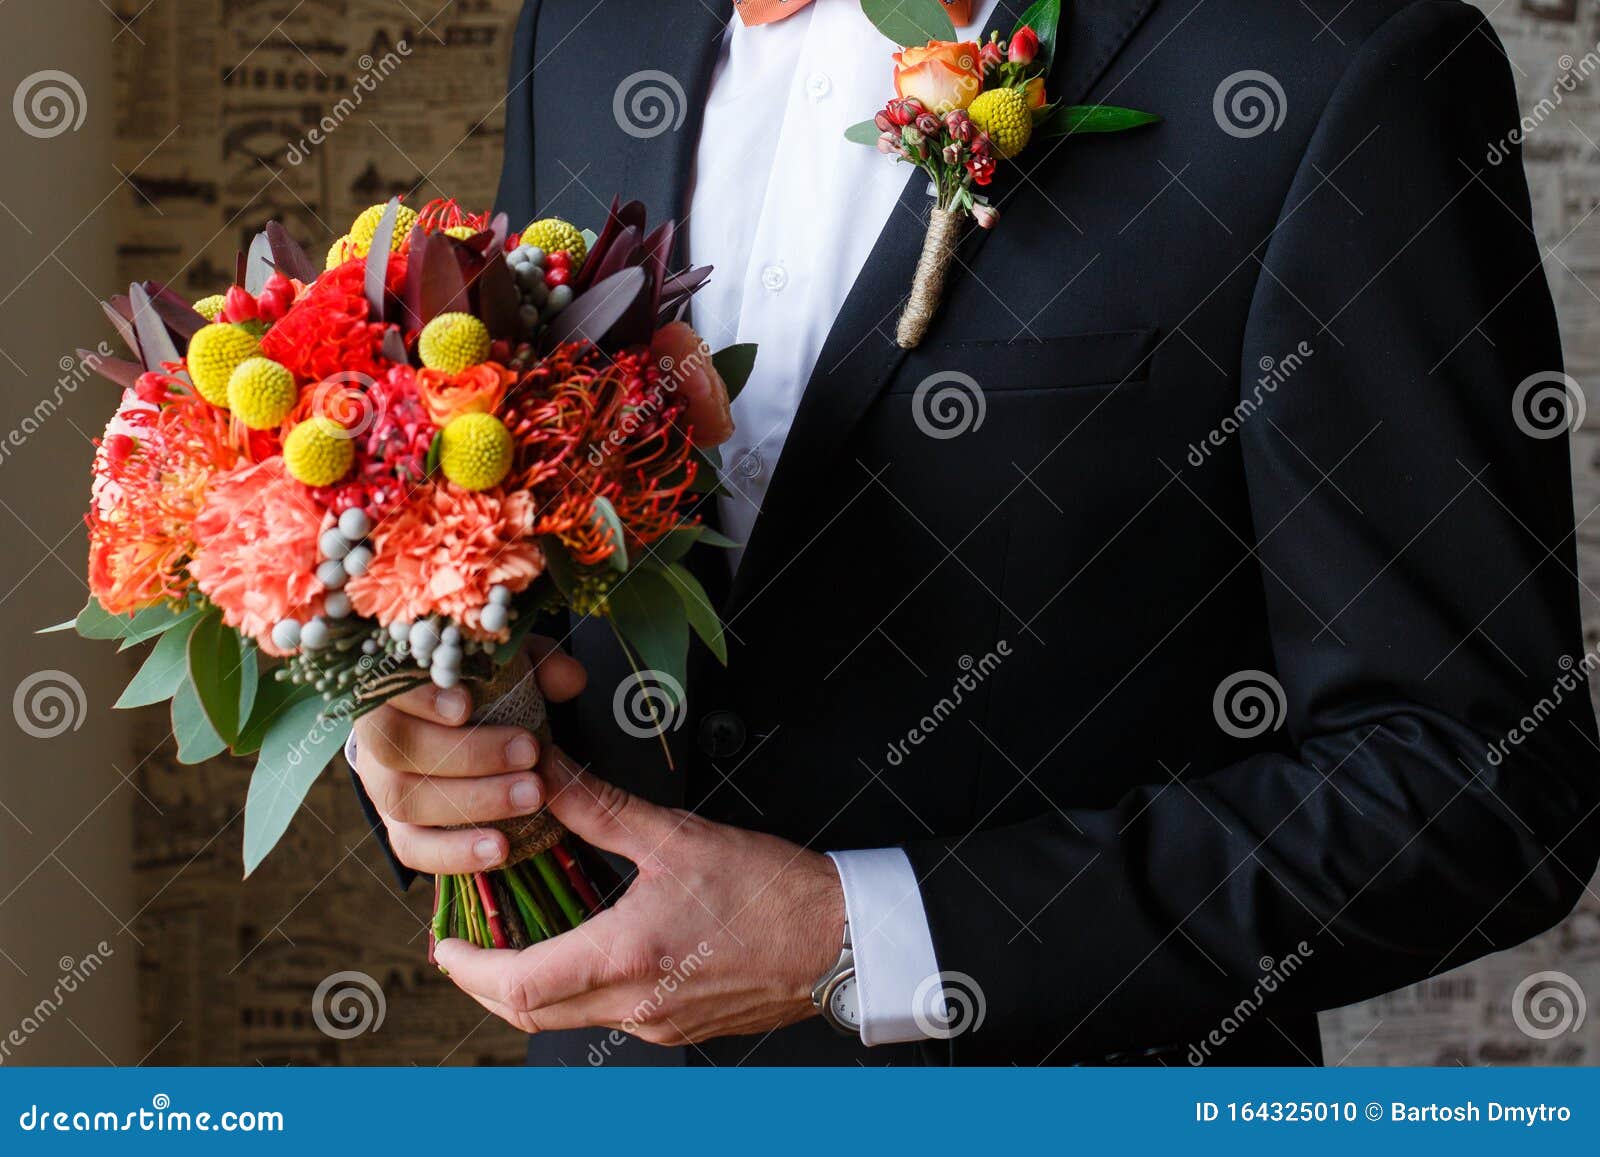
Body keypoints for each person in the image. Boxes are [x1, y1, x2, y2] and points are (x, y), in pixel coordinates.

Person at [349, 0, 1600, 1064]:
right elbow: (517, 536)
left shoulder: (1336, 59)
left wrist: (864, 935)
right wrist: (442, 746)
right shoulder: (585, 27)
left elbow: (1479, 775)